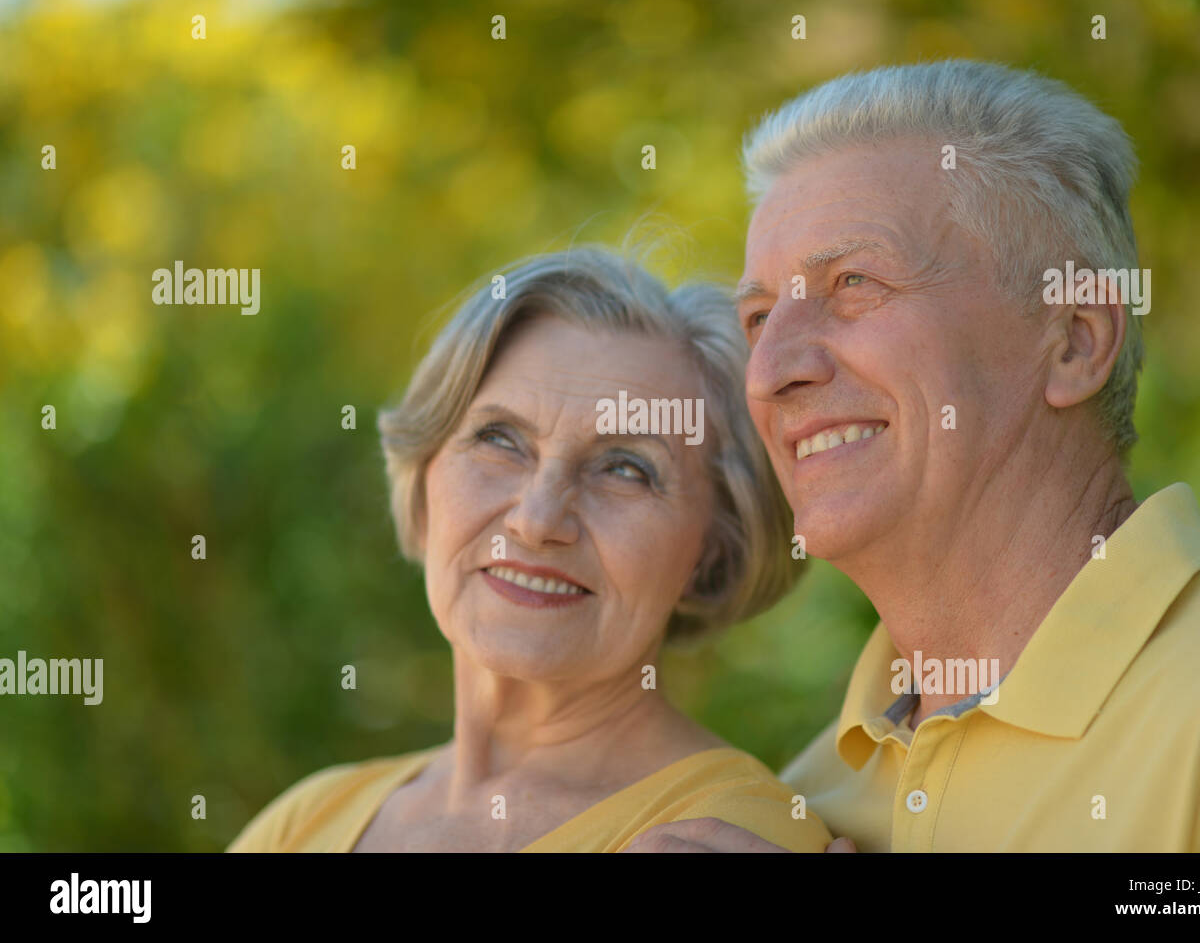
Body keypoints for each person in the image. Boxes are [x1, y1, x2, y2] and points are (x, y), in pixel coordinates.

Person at [625, 60, 1200, 852]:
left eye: (853, 282)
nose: (771, 372)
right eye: (758, 318)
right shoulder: (800, 805)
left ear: (1075, 339)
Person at [228, 246, 833, 852]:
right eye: (499, 438)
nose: (538, 520)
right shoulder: (307, 821)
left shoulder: (736, 831)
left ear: (713, 549)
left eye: (626, 469)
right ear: (424, 479)